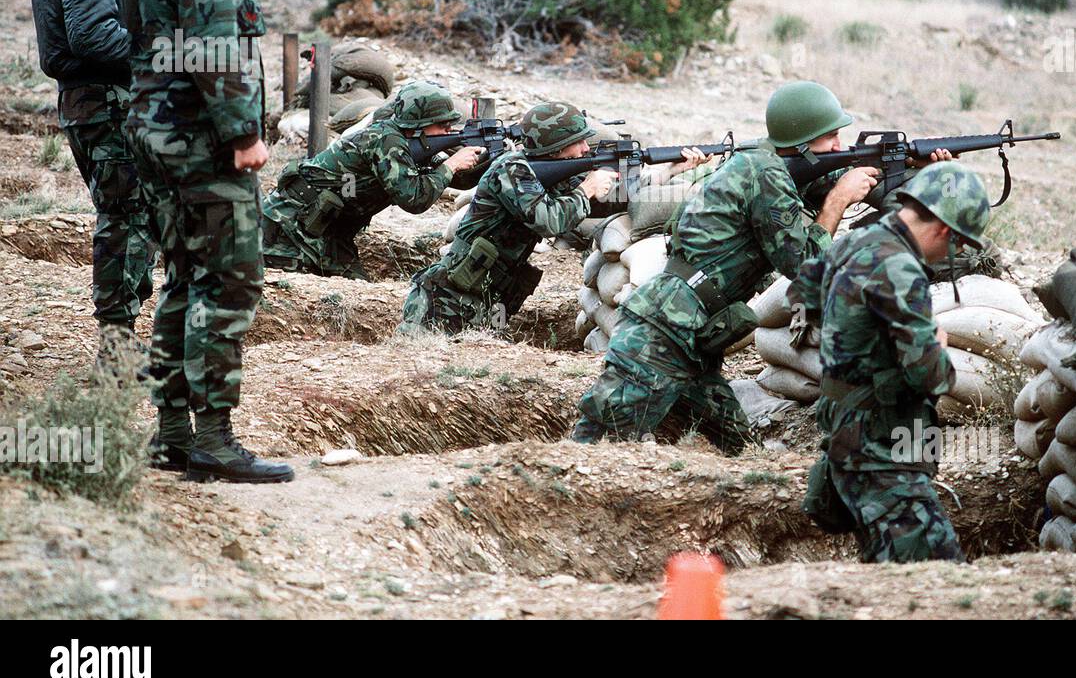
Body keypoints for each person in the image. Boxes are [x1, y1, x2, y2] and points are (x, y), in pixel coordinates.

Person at [571, 81, 880, 455]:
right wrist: (839, 200)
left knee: (737, 447)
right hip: (664, 329)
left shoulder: (762, 164)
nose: (838, 147)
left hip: (693, 334)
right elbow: (805, 263)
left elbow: (824, 174)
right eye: (831, 137)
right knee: (600, 443)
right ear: (802, 140)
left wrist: (903, 164)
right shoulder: (766, 175)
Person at [119, 0, 290, 483]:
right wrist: (244, 134)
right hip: (200, 141)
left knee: (182, 275)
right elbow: (214, 46)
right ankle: (214, 440)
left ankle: (171, 433)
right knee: (230, 277)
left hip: (154, 135)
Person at [791, 160, 991, 564]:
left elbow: (800, 293)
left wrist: (854, 336)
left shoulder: (854, 242)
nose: (953, 257)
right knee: (936, 571)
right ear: (944, 231)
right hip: (880, 449)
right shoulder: (901, 269)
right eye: (960, 246)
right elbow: (929, 376)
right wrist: (939, 346)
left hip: (845, 429)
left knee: (887, 565)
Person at [30, 0, 157, 354]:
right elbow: (94, 38)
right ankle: (117, 348)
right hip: (105, 104)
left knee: (124, 213)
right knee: (128, 217)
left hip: (86, 102)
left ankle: (118, 341)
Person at [400, 101, 617, 333]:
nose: (586, 148)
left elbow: (597, 208)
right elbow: (549, 221)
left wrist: (630, 185)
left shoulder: (552, 176)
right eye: (579, 141)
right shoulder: (511, 169)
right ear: (556, 146)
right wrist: (587, 189)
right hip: (447, 300)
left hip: (490, 300)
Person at [262, 82, 485, 278]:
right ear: (419, 124)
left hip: (331, 231)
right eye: (443, 125)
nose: (449, 130)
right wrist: (452, 163)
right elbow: (415, 199)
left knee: (354, 288)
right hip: (290, 227)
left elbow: (460, 181)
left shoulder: (410, 144)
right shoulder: (386, 141)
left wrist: (490, 157)